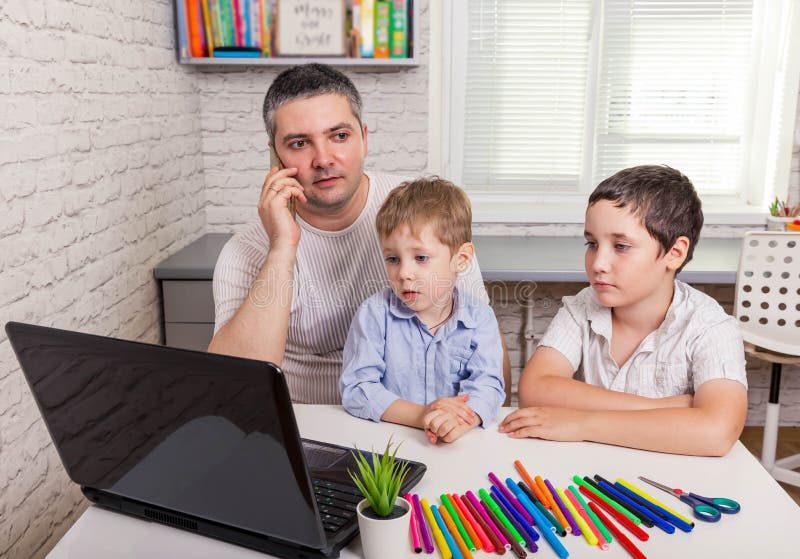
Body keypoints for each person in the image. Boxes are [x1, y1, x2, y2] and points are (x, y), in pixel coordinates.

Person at [208, 63, 510, 403]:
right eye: (299, 143)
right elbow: (234, 388)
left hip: (405, 424)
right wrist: (281, 247)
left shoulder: (420, 215)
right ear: (274, 156)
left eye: (339, 136)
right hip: (302, 425)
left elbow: (488, 360)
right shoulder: (245, 250)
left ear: (364, 139)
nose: (323, 159)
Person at [499, 165, 748, 456]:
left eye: (620, 246)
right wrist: (661, 409)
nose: (598, 263)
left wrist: (583, 423)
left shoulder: (711, 326)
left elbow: (716, 432)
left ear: (674, 253)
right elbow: (534, 390)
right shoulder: (582, 306)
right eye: (592, 243)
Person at [340, 178, 506, 443]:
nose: (404, 273)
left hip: (460, 443)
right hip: (389, 443)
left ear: (460, 259)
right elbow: (358, 389)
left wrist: (460, 420)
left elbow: (488, 385)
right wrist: (423, 415)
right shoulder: (374, 314)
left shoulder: (479, 318)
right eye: (393, 259)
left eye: (420, 258)